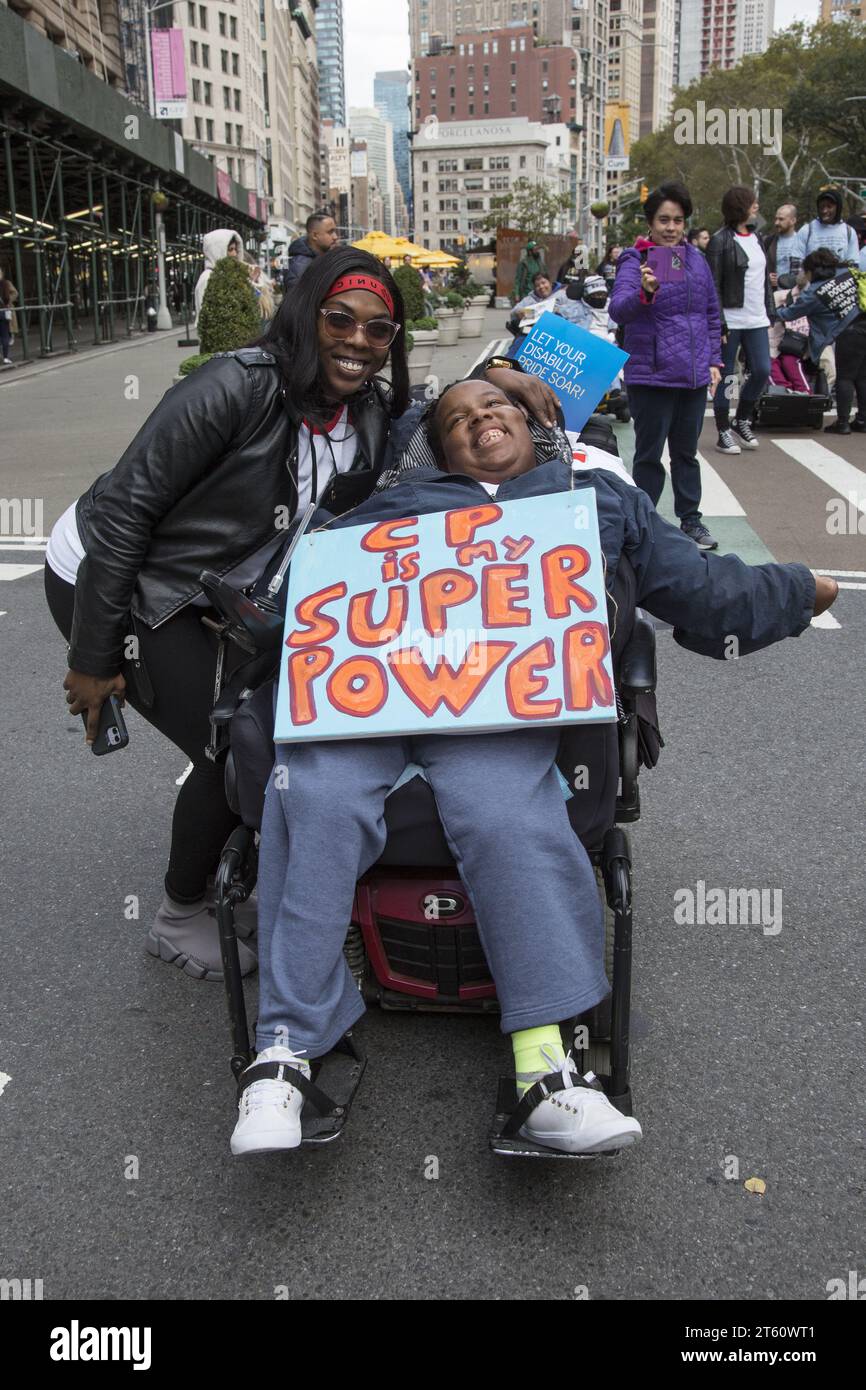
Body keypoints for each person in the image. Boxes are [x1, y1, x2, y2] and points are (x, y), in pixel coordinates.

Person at [230, 374, 839, 1158]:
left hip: (496, 704)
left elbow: (705, 592)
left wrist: (797, 589)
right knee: (315, 793)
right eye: (456, 419)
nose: (479, 418)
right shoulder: (391, 505)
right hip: (367, 698)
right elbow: (310, 597)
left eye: (496, 406)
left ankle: (545, 1068)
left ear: (535, 423)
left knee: (505, 810)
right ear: (435, 447)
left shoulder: (594, 500)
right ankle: (283, 1056)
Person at [44, 250, 563, 983]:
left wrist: (498, 375)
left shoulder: (370, 408)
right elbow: (126, 514)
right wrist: (94, 659)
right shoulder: (235, 385)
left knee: (276, 726)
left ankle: (247, 875)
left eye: (379, 329)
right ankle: (177, 914)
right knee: (231, 746)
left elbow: (431, 421)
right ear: (306, 313)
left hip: (222, 590)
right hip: (122, 579)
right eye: (340, 319)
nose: (358, 340)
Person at [610, 181, 724, 550]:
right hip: (652, 374)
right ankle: (645, 525)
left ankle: (691, 521)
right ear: (650, 222)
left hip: (691, 375)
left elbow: (710, 312)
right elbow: (618, 310)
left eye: (677, 220)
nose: (671, 228)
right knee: (648, 454)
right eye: (663, 220)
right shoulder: (635, 259)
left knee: (686, 454)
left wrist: (714, 361)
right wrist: (646, 292)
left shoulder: (696, 259)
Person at [706, 186, 774, 455]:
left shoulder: (757, 237)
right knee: (727, 376)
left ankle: (742, 419)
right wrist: (719, 322)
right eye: (751, 202)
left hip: (757, 318)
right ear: (739, 207)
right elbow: (713, 285)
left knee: (762, 370)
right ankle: (723, 430)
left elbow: (764, 281)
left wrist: (770, 311)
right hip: (731, 319)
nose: (756, 206)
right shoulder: (719, 240)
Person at [777, 249, 866, 435]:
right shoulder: (846, 272)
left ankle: (842, 422)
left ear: (811, 271)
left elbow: (789, 313)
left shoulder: (815, 293)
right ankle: (862, 420)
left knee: (845, 377)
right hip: (864, 320)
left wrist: (770, 312)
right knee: (862, 376)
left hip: (849, 332)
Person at [794, 188, 859, 269]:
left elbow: (853, 265)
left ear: (838, 208)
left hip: (839, 280)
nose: (824, 211)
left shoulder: (849, 232)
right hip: (812, 280)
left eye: (829, 206)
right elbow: (796, 263)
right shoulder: (807, 230)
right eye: (822, 206)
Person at [194, 229, 243, 319]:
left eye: (236, 249)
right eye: (230, 249)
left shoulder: (230, 277)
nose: (235, 254)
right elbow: (206, 319)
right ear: (217, 251)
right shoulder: (207, 278)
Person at [283, 212, 339, 291]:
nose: (335, 237)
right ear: (315, 235)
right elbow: (299, 301)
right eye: (330, 232)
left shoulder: (321, 258)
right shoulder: (300, 266)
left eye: (335, 231)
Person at [765, 204, 800, 288]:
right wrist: (766, 277)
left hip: (794, 294)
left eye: (781, 219)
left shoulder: (801, 242)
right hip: (773, 295)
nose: (776, 223)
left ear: (793, 220)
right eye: (776, 219)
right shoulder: (768, 241)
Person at [0, 268, 17, 366]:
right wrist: (7, 303)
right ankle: (6, 357)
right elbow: (9, 297)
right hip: (3, 311)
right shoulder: (6, 283)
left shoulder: (6, 283)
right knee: (4, 335)